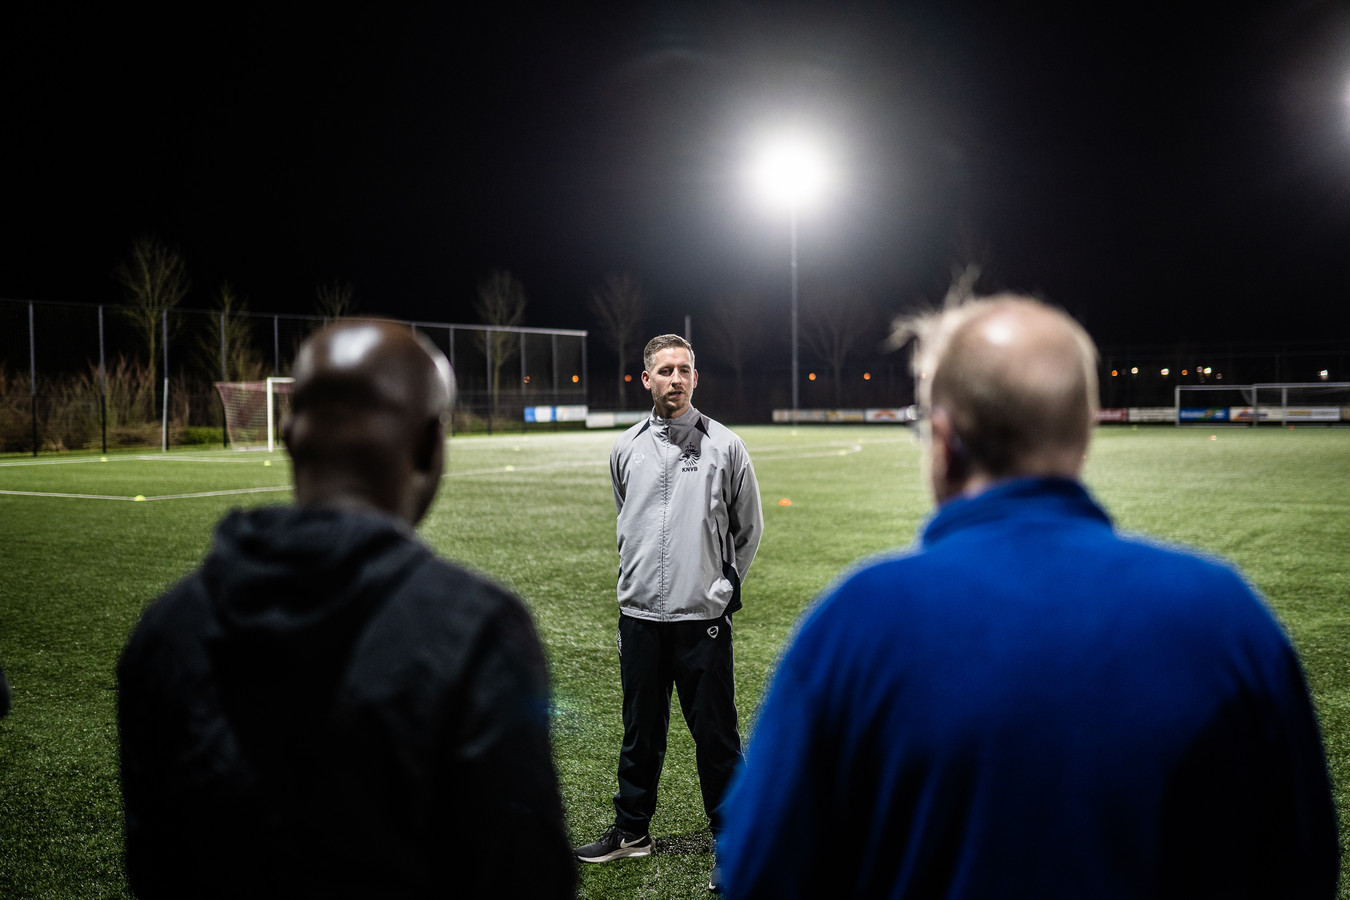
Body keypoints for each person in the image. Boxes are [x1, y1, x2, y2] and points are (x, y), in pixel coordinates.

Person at [718, 296, 1339, 899]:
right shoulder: (1227, 616)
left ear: (943, 439)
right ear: (1084, 432)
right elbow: (1304, 866)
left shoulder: (858, 621)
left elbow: (758, 872)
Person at [117, 320, 576, 899]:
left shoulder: (165, 629)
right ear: (430, 446)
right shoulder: (474, 631)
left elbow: (153, 865)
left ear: (288, 434)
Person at [575, 334, 762, 893]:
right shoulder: (625, 448)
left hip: (701, 620)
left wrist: (723, 588)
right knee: (640, 732)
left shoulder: (725, 446)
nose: (676, 379)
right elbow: (627, 521)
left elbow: (748, 529)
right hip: (639, 618)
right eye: (665, 370)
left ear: (695, 378)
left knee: (717, 738)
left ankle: (736, 844)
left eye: (684, 369)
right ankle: (632, 831)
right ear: (646, 379)